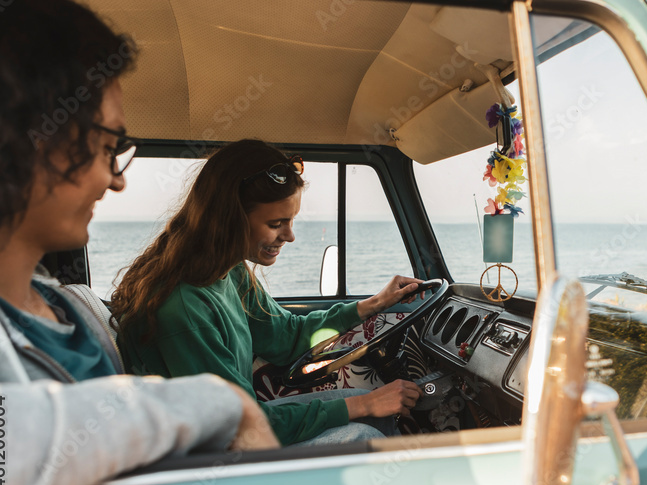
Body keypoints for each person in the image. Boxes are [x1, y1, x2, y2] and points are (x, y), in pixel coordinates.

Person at [0, 0, 280, 485]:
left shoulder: (77, 306)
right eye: (110, 145)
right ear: (22, 132)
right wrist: (220, 401)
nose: (116, 180)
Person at [112, 139, 425, 446]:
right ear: (230, 220)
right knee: (364, 434)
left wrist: (374, 304)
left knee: (362, 404)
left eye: (290, 221)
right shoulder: (182, 307)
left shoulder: (230, 271)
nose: (289, 236)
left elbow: (285, 336)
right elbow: (238, 429)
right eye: (277, 223)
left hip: (238, 422)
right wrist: (366, 405)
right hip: (206, 456)